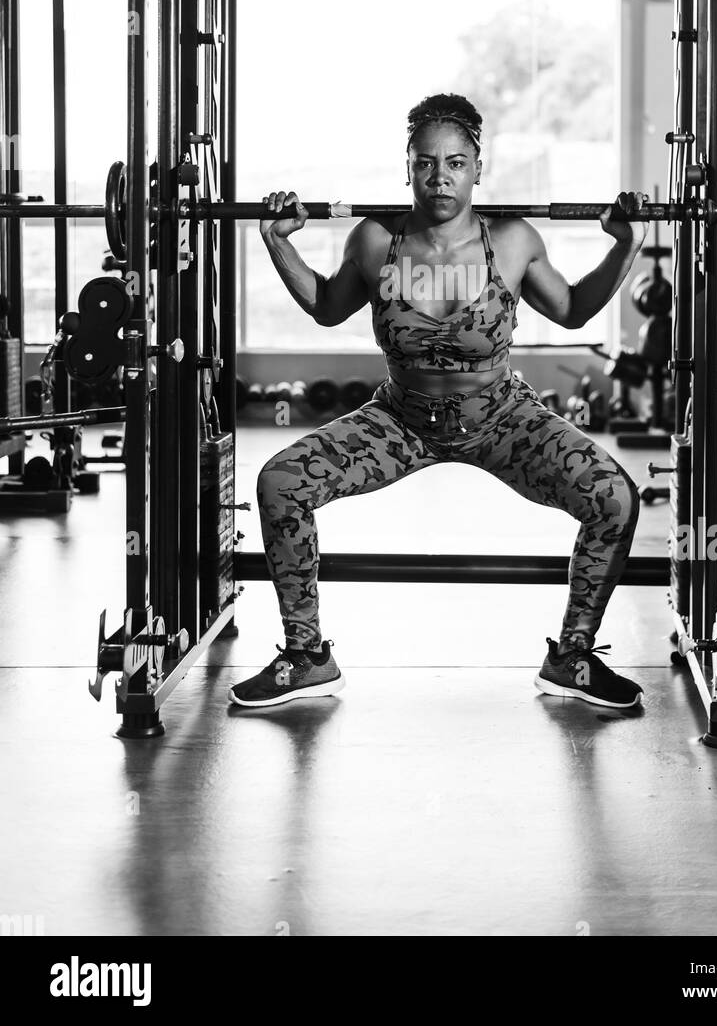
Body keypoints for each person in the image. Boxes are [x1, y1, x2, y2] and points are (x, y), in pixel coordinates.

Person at [229, 94, 649, 711]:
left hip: (501, 417)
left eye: (455, 162)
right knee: (280, 481)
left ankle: (573, 658)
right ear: (407, 167)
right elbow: (325, 307)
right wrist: (276, 240)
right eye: (425, 162)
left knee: (614, 496)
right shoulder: (375, 241)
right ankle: (305, 656)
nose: (439, 176)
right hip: (401, 419)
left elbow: (573, 310)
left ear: (479, 168)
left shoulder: (511, 241)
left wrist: (627, 244)